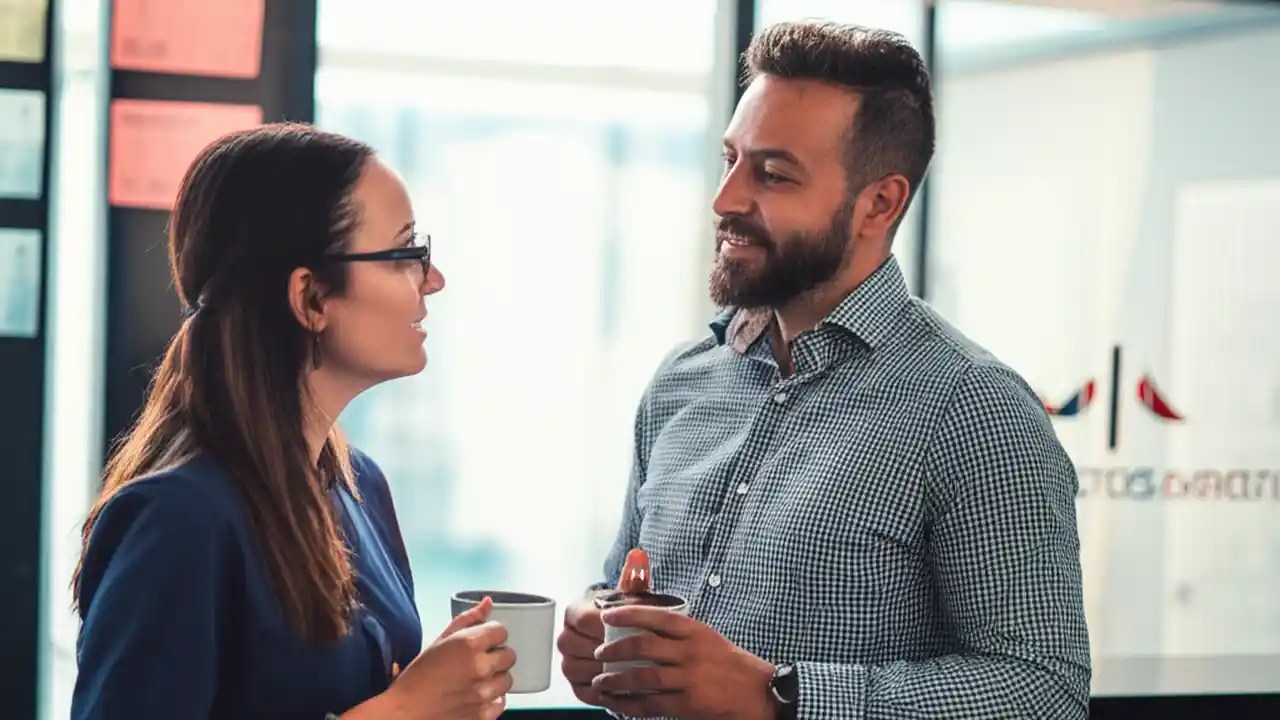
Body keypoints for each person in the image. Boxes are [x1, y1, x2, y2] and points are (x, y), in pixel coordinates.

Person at [557, 21, 1091, 720]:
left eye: (773, 174)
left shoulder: (973, 410)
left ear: (880, 203)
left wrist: (778, 696)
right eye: (730, 160)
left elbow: (1043, 690)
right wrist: (596, 623)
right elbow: (623, 584)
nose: (725, 199)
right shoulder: (682, 383)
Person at [71, 124, 514, 720]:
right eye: (406, 253)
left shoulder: (360, 485)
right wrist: (403, 712)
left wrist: (439, 691)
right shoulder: (179, 520)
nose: (431, 279)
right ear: (310, 297)